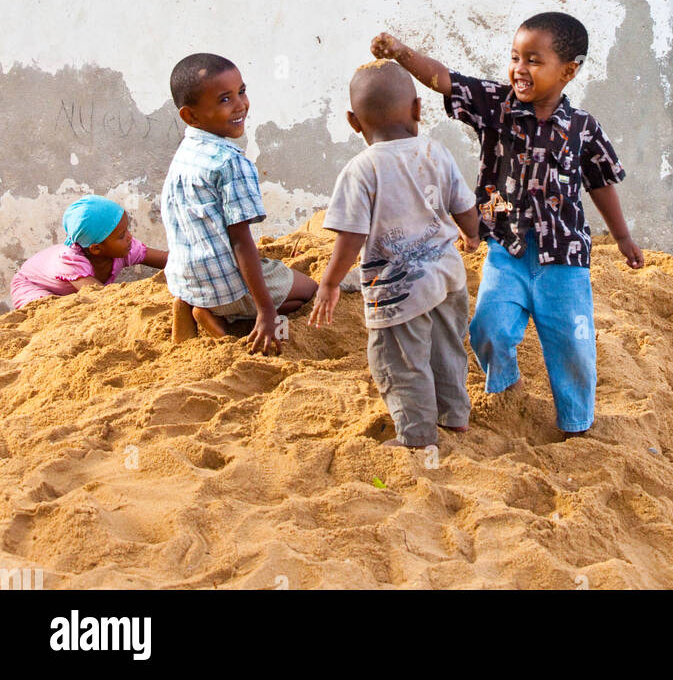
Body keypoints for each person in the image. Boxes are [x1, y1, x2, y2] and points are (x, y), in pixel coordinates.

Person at [370, 12, 644, 437]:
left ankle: (575, 424)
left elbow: (602, 183)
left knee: (572, 345)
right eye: (515, 57)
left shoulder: (583, 128)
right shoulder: (496, 106)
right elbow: (446, 79)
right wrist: (402, 53)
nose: (519, 68)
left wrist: (623, 237)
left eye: (534, 60)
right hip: (507, 251)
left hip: (564, 259)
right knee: (487, 330)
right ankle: (507, 383)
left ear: (568, 71)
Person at [309, 59, 480, 450]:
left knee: (401, 362)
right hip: (449, 277)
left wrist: (330, 283)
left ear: (354, 122)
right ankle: (454, 417)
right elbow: (463, 206)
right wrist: (472, 236)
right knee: (448, 346)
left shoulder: (362, 169)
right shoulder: (436, 151)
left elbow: (351, 237)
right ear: (418, 109)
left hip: (398, 290)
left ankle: (418, 437)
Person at [161, 52, 316, 352]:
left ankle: (198, 305)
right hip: (224, 285)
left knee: (281, 280)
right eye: (224, 100)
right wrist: (266, 312)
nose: (240, 106)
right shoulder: (230, 162)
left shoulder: (187, 150)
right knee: (308, 291)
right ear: (190, 115)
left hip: (187, 280)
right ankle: (224, 321)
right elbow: (241, 241)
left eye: (241, 92)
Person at [10, 195, 166, 309]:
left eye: (127, 230)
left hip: (65, 292)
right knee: (51, 310)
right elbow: (100, 296)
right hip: (31, 286)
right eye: (122, 235)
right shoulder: (71, 261)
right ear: (96, 248)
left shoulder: (126, 248)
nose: (129, 237)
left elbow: (169, 259)